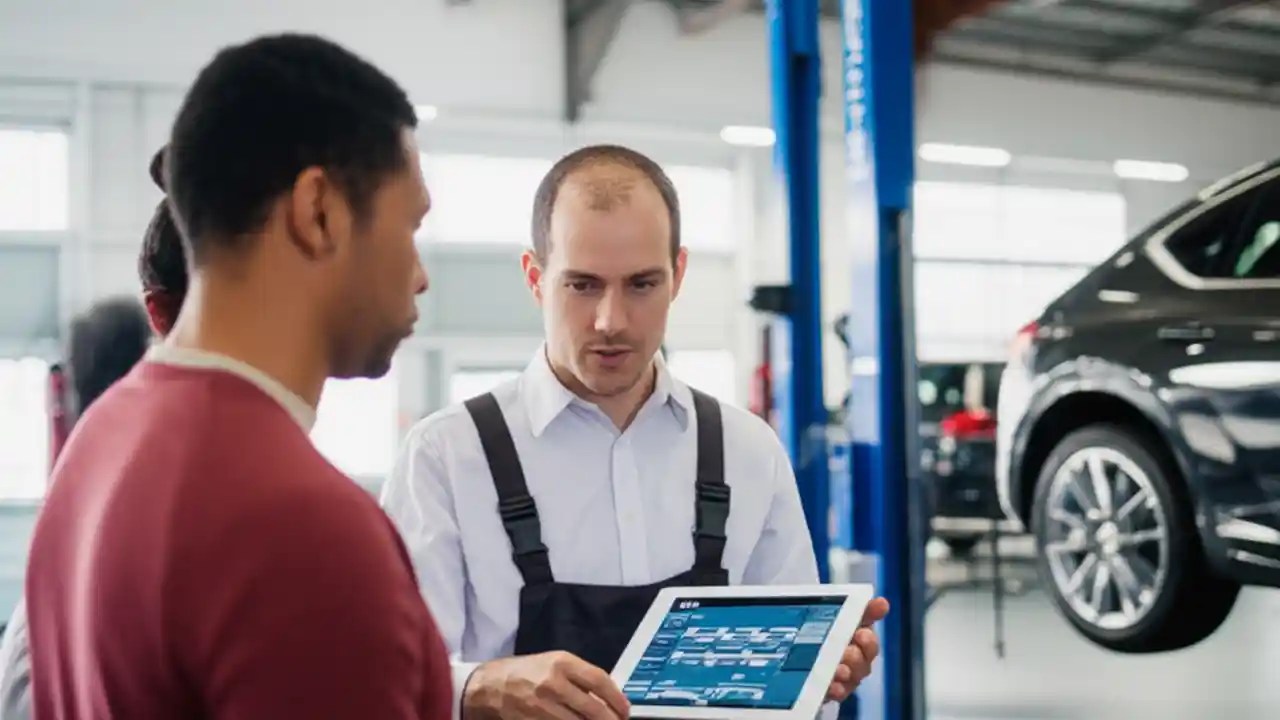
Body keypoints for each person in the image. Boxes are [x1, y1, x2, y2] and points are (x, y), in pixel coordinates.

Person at [381, 144, 889, 720]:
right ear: (535, 277)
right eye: (583, 286)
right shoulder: (446, 457)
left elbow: (791, 686)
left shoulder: (747, 452)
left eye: (641, 285)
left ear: (677, 275)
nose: (611, 321)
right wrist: (476, 688)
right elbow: (387, 684)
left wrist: (815, 675)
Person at [24, 34, 450, 719]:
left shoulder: (100, 440)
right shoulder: (303, 528)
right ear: (319, 213)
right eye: (410, 224)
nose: (419, 274)